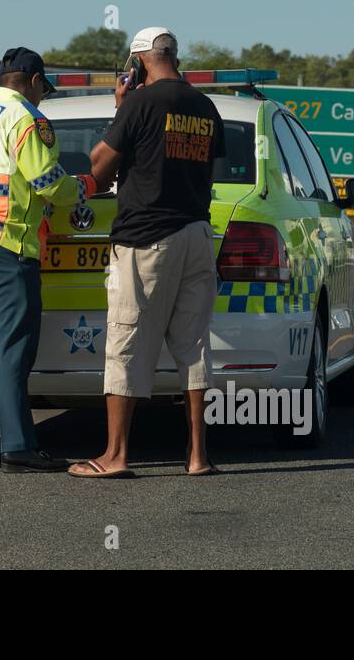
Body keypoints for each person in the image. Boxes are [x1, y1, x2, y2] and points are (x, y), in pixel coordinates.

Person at [68, 27, 224, 479]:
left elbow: (99, 164)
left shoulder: (138, 103)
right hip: (196, 233)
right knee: (194, 348)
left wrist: (120, 109)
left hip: (145, 239)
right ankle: (198, 457)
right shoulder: (205, 106)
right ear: (174, 56)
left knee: (126, 343)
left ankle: (115, 456)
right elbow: (209, 175)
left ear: (138, 63)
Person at [0, 47, 98, 473]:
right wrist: (85, 187)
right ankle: (18, 446)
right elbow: (47, 181)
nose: (42, 98)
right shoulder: (24, 119)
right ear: (33, 80)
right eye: (42, 89)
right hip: (6, 242)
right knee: (14, 347)